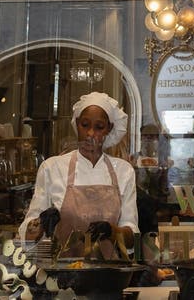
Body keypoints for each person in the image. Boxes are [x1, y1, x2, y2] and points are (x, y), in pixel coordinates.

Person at [19, 92, 139, 258]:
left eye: (99, 127)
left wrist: (111, 231)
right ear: (76, 123)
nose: (90, 133)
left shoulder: (124, 172)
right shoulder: (52, 168)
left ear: (109, 129)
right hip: (60, 270)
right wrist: (41, 223)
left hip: (109, 270)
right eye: (85, 125)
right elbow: (28, 235)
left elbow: (132, 238)